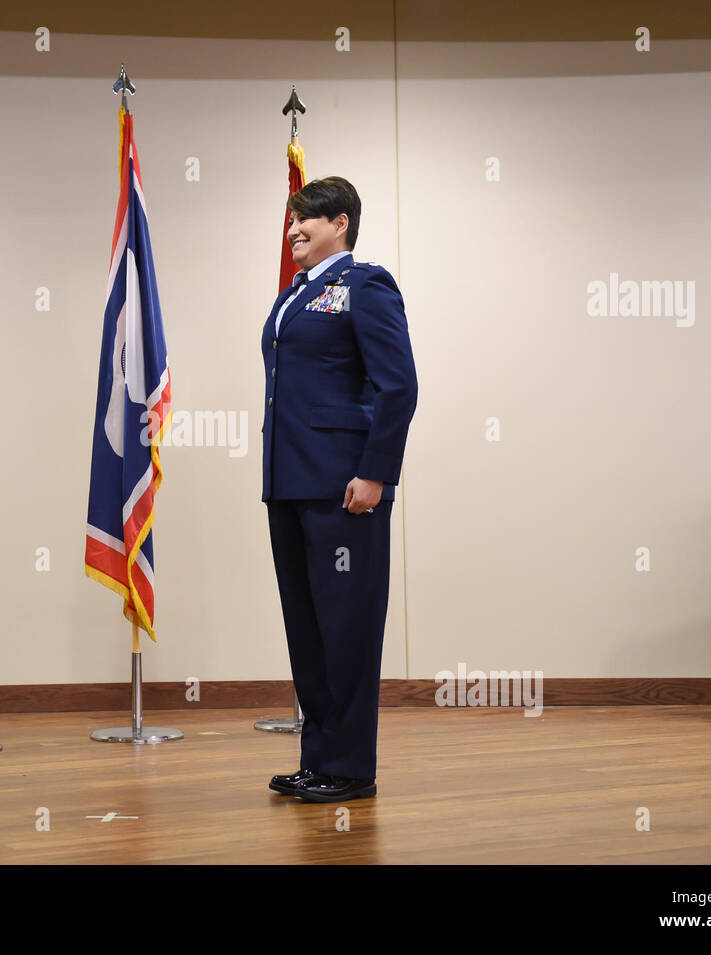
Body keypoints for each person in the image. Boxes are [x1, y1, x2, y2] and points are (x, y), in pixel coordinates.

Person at [261, 176, 418, 803]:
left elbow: (398, 386)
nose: (294, 229)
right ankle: (318, 758)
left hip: (344, 488)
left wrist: (376, 473)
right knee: (308, 627)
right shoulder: (294, 295)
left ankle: (351, 766)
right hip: (291, 484)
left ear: (341, 224)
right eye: (291, 219)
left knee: (346, 628)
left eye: (306, 219)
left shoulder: (365, 285)